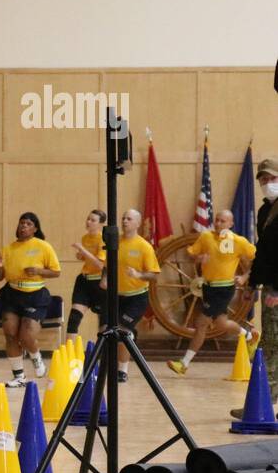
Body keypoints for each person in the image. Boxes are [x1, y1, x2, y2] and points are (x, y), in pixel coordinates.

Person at [168, 209, 257, 376]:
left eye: (223, 221)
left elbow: (256, 259)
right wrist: (199, 259)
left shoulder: (239, 241)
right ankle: (248, 336)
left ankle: (184, 363)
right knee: (221, 324)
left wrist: (245, 276)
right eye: (217, 220)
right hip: (208, 287)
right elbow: (190, 256)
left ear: (231, 224)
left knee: (201, 323)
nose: (218, 223)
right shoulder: (206, 237)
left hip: (224, 289)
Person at [0, 212, 62, 387]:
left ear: (35, 228)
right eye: (22, 223)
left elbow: (56, 271)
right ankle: (19, 376)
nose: (24, 226)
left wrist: (39, 271)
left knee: (26, 334)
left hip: (35, 295)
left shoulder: (43, 246)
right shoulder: (8, 249)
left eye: (28, 224)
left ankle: (36, 358)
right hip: (13, 293)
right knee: (10, 333)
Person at [233, 159, 278, 419]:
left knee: (272, 344)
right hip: (269, 285)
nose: (266, 183)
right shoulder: (265, 211)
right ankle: (266, 400)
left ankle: (264, 403)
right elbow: (263, 254)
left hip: (277, 290)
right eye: (262, 179)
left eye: (271, 178)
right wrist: (252, 283)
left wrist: (276, 290)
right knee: (272, 344)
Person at [106, 208, 160, 383]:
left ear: (137, 223)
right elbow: (108, 264)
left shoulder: (144, 246)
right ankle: (111, 365)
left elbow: (154, 274)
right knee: (110, 331)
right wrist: (105, 278)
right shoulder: (115, 243)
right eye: (123, 218)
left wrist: (139, 275)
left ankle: (123, 370)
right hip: (117, 296)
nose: (125, 221)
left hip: (136, 297)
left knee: (122, 329)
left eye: (129, 219)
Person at [67, 209, 107, 342]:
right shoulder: (85, 237)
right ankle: (69, 356)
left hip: (99, 283)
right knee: (74, 318)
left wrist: (83, 250)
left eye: (93, 220)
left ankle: (103, 356)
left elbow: (100, 265)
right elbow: (88, 259)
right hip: (84, 281)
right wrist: (81, 256)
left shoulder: (103, 239)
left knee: (104, 325)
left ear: (101, 224)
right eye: (88, 219)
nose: (88, 222)